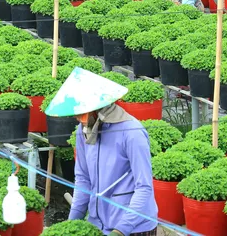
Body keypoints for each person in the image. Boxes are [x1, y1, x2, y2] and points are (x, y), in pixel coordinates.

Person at [45, 67, 157, 236]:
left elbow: (144, 188)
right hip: (99, 225)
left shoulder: (132, 133)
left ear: (97, 108)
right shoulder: (83, 131)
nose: (77, 118)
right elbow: (83, 179)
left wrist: (121, 230)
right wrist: (71, 223)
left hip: (134, 227)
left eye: (81, 112)